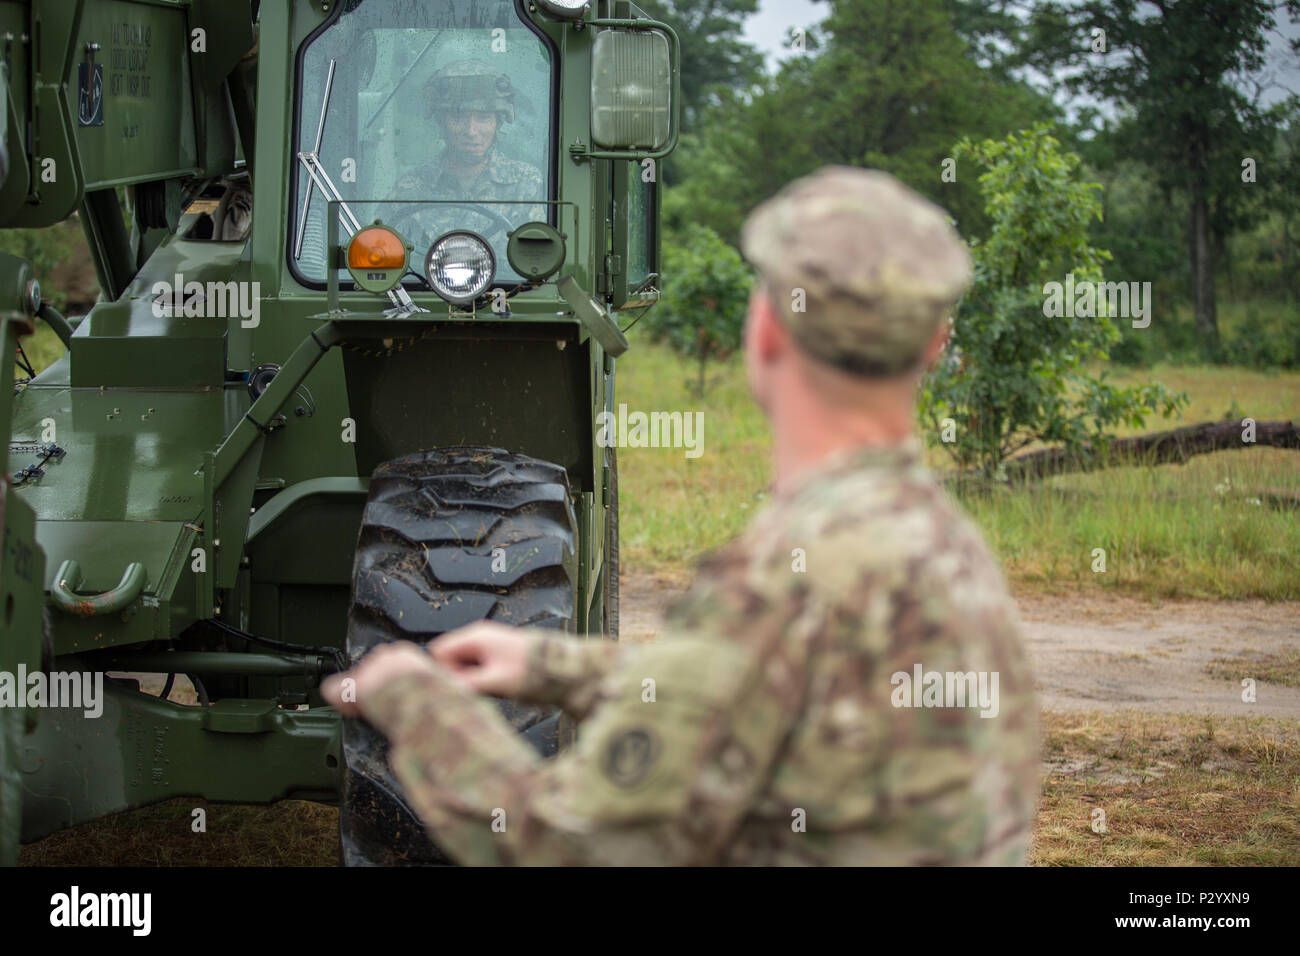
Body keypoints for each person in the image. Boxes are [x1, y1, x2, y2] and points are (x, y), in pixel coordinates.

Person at [322, 166, 1041, 866]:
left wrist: (415, 706)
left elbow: (563, 843)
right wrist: (556, 665)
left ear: (764, 331)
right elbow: (761, 686)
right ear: (936, 343)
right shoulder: (945, 547)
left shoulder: (785, 577)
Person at [393, 59, 545, 237]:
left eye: (483, 117)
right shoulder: (411, 188)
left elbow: (538, 256)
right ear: (440, 123)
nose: (471, 131)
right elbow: (382, 252)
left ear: (498, 124)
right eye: (459, 117)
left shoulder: (525, 183)